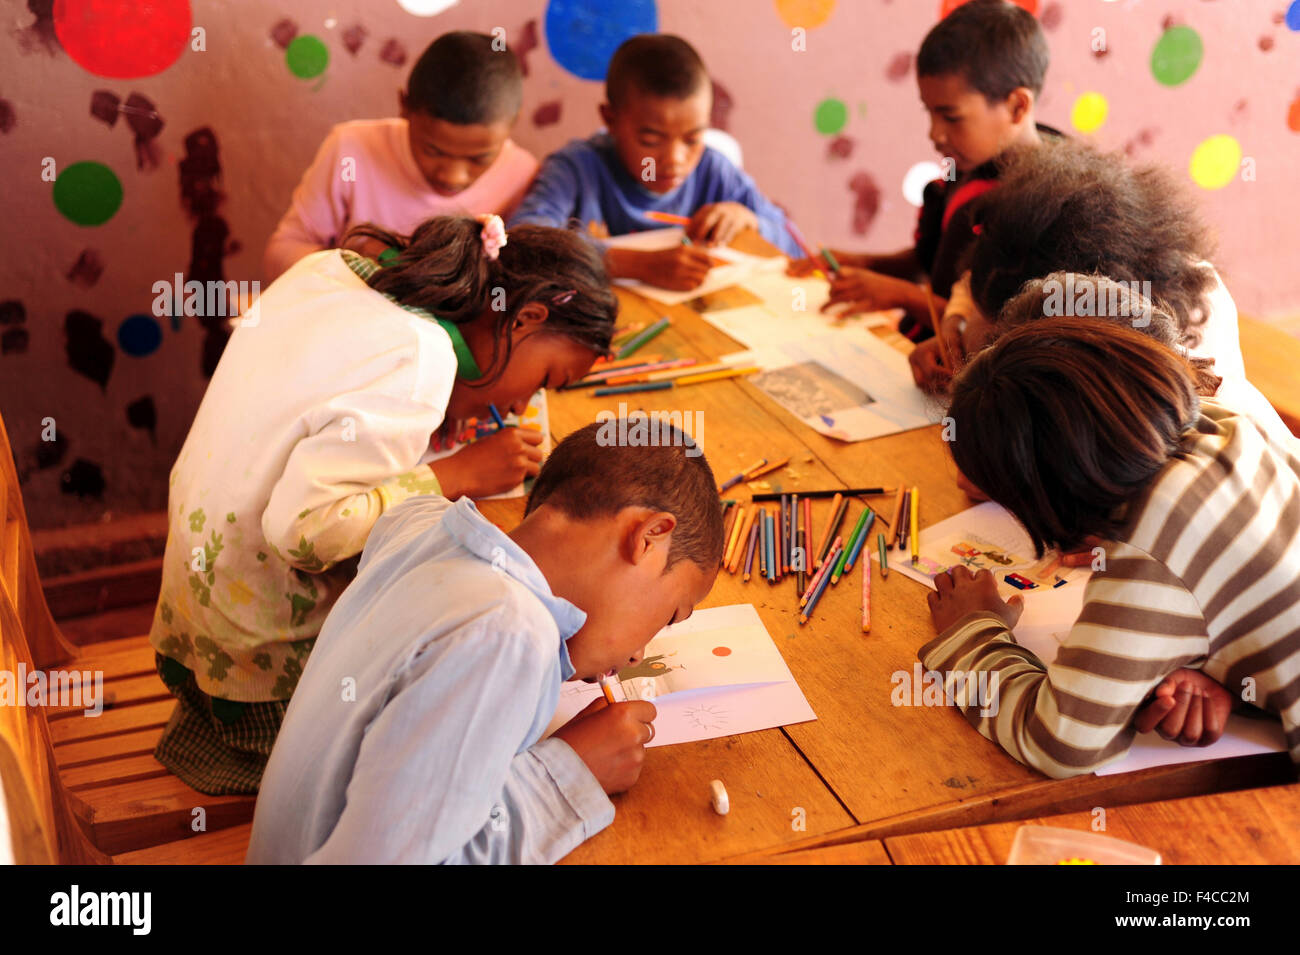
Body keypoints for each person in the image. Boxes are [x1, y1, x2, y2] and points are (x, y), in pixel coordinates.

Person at [150, 216, 616, 794]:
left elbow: (317, 413)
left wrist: (441, 429)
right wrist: (454, 474)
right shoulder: (419, 358)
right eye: (547, 376)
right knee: (451, 719)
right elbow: (303, 531)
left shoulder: (335, 269)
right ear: (526, 318)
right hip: (262, 668)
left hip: (196, 621)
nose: (528, 400)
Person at [246, 421, 723, 863]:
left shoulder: (420, 524)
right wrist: (570, 773)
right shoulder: (506, 633)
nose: (640, 654)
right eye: (670, 614)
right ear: (650, 537)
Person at [924, 310, 1300, 777]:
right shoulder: (1224, 425)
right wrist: (1218, 672)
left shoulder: (1151, 554)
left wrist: (972, 631)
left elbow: (1059, 744)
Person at [791, 0, 1054, 334]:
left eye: (951, 116)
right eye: (928, 112)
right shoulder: (965, 166)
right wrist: (867, 265)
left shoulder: (1046, 208)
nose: (934, 133)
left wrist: (904, 297)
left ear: (1017, 106)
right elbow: (932, 263)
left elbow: (997, 337)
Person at [509, 33, 800, 291]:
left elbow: (795, 247)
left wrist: (750, 221)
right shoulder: (576, 169)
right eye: (651, 141)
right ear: (610, 119)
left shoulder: (714, 171)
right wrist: (637, 265)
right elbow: (520, 244)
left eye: (692, 139)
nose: (674, 160)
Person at [263, 31, 538, 280]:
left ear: (514, 123)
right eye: (432, 150)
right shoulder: (351, 150)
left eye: (480, 158)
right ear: (404, 106)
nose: (452, 176)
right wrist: (355, 263)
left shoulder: (524, 176)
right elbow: (281, 254)